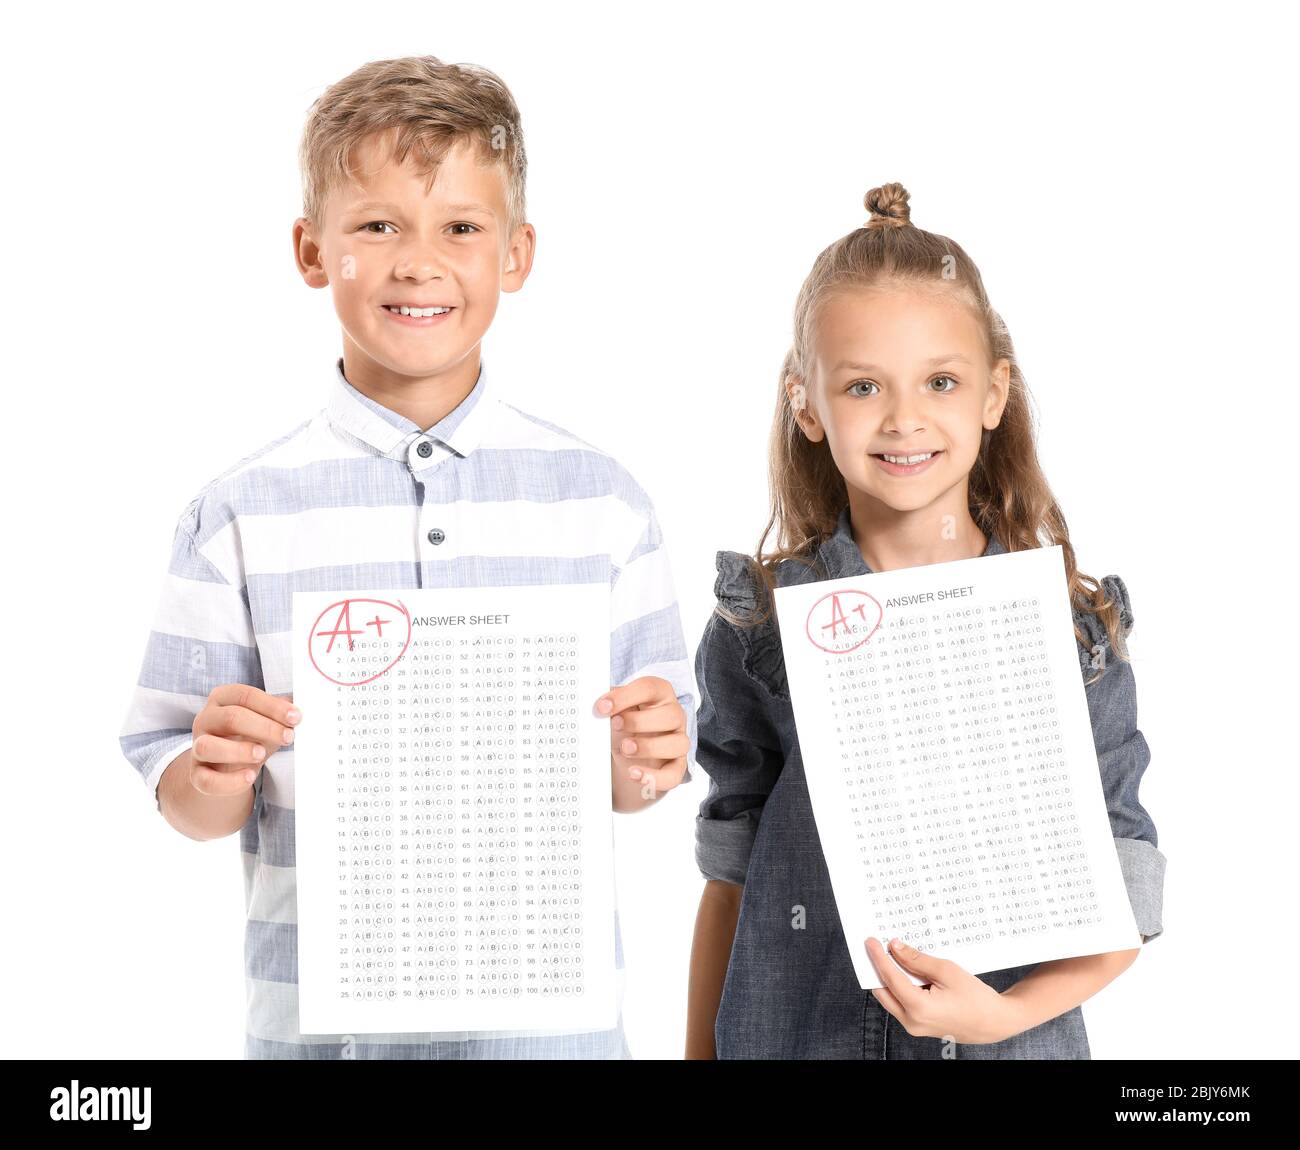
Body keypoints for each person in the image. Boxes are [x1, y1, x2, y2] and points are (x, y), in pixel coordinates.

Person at [119, 55, 695, 1060]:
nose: (419, 261)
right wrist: (212, 767)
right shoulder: (239, 514)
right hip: (319, 1036)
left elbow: (643, 774)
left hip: (550, 1036)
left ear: (515, 255)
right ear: (312, 250)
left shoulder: (599, 503)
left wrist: (645, 755)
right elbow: (183, 790)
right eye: (377, 225)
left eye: (460, 229)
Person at [685, 182, 1166, 1060]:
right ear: (806, 406)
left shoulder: (1070, 633)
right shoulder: (761, 628)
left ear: (993, 394)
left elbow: (1124, 874)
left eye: (940, 381)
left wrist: (1003, 1016)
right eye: (863, 385)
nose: (905, 418)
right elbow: (731, 871)